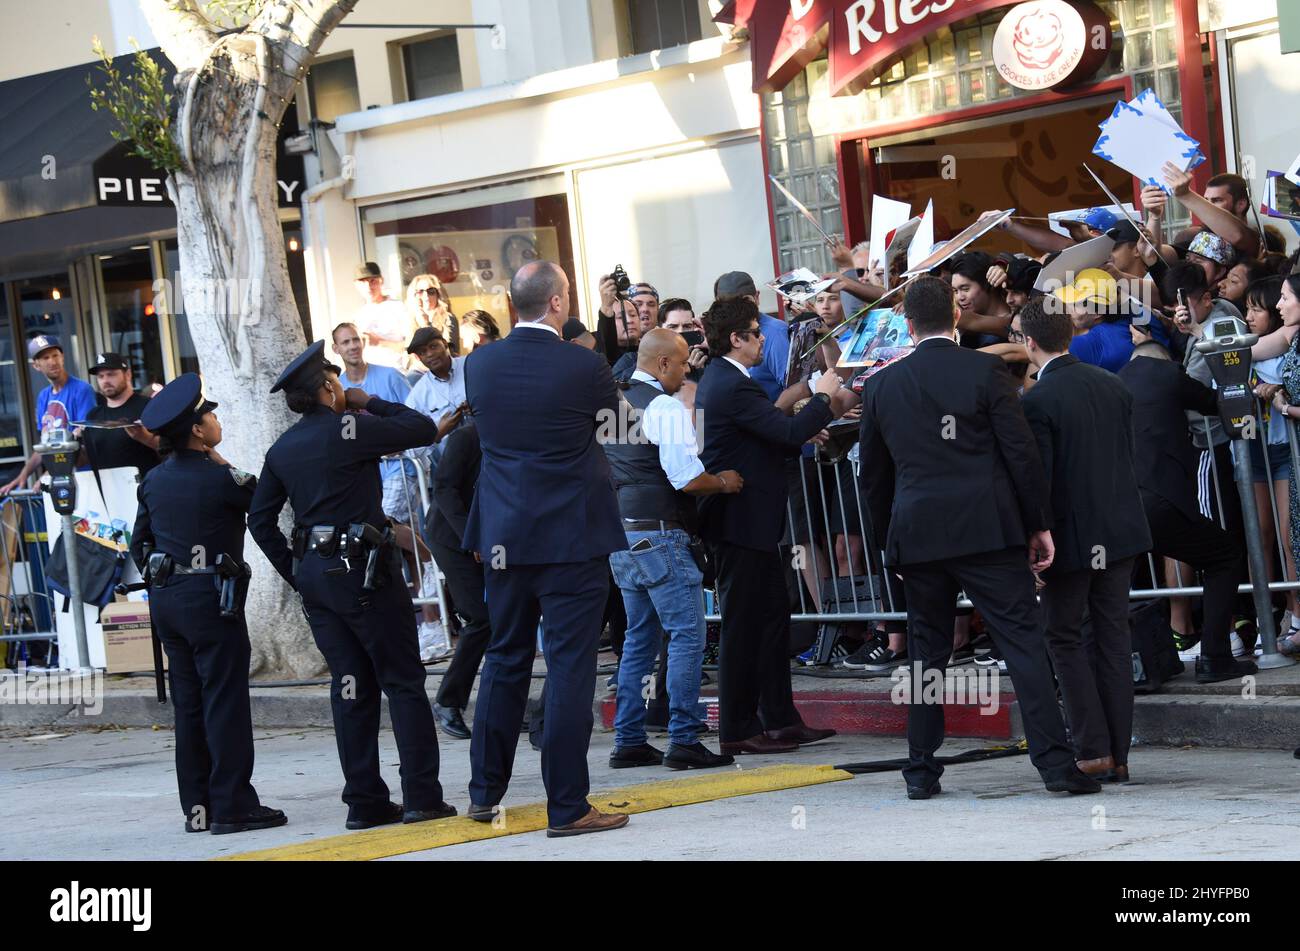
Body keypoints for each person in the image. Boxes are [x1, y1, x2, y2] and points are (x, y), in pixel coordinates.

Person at [858, 276, 1099, 798]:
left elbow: (873, 479)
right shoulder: (985, 370)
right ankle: (1056, 767)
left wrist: (889, 545)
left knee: (926, 655)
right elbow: (1020, 454)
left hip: (918, 536)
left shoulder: (880, 385)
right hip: (988, 530)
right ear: (956, 315)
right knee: (1023, 646)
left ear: (906, 323)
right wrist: (1039, 524)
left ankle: (920, 771)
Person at [248, 340, 456, 829]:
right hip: (365, 574)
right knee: (403, 682)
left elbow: (260, 522)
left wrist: (296, 573)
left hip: (318, 581)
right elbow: (422, 428)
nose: (343, 387)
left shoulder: (282, 448)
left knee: (350, 688)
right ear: (327, 386)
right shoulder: (349, 425)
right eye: (337, 381)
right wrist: (371, 401)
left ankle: (363, 801)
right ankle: (422, 796)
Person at [461, 259, 630, 838]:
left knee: (505, 659)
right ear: (557, 303)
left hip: (504, 535)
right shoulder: (583, 365)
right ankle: (568, 805)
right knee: (568, 666)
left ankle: (484, 794)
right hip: (571, 539)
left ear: (514, 304)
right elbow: (620, 430)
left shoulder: (479, 363)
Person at [130, 373, 285, 835]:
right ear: (197, 430)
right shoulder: (223, 479)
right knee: (224, 702)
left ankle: (198, 809)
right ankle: (234, 806)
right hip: (212, 603)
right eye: (210, 416)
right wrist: (219, 460)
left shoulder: (154, 481)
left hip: (168, 603)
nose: (217, 421)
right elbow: (261, 500)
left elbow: (140, 545)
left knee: (189, 705)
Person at [696, 295, 840, 755]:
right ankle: (737, 727)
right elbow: (784, 435)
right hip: (740, 522)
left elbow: (761, 436)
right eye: (756, 333)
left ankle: (779, 719)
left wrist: (801, 421)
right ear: (736, 339)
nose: (762, 340)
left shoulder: (730, 381)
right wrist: (823, 396)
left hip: (754, 521)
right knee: (743, 626)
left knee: (773, 619)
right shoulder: (730, 383)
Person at [1019, 300, 1151, 782]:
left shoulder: (1036, 400)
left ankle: (1093, 748)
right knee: (1113, 638)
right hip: (1121, 530)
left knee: (1065, 636)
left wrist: (1036, 535)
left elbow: (1042, 480)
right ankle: (1117, 754)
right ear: (1069, 335)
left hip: (1071, 538)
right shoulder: (1112, 385)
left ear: (1029, 341)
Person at [604, 329, 742, 770]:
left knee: (638, 639)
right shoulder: (664, 406)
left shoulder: (613, 405)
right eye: (683, 364)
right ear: (663, 363)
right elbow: (685, 477)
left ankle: (628, 740)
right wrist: (724, 482)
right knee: (687, 634)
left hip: (622, 537)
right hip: (661, 534)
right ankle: (683, 737)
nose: (687, 373)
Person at [1118, 342, 1258, 683]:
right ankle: (1215, 657)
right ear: (1165, 360)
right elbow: (1215, 402)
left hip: (1119, 508)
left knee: (1113, 585)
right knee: (1223, 556)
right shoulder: (1167, 374)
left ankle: (1120, 669)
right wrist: (1244, 390)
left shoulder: (1113, 382)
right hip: (1160, 501)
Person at [331, 322, 447, 659]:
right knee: (390, 540)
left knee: (388, 524)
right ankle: (421, 615)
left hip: (399, 466)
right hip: (367, 473)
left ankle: (431, 608)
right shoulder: (337, 388)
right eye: (346, 342)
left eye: (356, 339)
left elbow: (412, 419)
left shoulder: (389, 377)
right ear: (337, 349)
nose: (352, 346)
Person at [427, 422, 488, 740]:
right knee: (480, 618)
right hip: (453, 537)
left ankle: (498, 704)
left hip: (493, 540)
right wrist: (471, 536)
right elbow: (444, 490)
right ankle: (448, 702)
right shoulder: (466, 437)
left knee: (505, 619)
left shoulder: (516, 432)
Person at [0, 335, 98, 494]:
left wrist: (52, 471)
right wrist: (23, 475)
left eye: (55, 355)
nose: (52, 361)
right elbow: (45, 445)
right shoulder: (43, 396)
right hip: (59, 479)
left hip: (84, 477)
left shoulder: (82, 389)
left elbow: (82, 435)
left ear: (63, 357)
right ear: (36, 365)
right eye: (45, 358)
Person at [714, 271, 791, 402]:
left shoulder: (775, 333)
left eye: (745, 302)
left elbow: (796, 389)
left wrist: (772, 420)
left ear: (757, 297)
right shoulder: (715, 339)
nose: (761, 338)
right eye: (731, 305)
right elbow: (701, 403)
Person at [79, 352, 160, 476]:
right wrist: (70, 448)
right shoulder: (93, 415)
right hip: (107, 491)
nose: (105, 381)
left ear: (127, 375)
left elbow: (171, 449)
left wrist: (146, 438)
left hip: (146, 489)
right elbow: (87, 458)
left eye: (111, 374)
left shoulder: (148, 406)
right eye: (100, 376)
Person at [1051, 268, 1135, 372]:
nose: (1068, 309)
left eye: (1075, 304)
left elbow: (1037, 352)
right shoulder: (1131, 317)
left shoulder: (1087, 344)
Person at [354, 261, 416, 372]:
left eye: (372, 281)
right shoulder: (359, 315)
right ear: (356, 285)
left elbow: (410, 345)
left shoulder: (398, 307)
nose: (368, 286)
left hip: (396, 371)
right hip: (371, 374)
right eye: (363, 282)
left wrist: (379, 342)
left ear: (381, 281)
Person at [406, 273, 460, 357]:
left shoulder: (448, 318)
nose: (426, 295)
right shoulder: (409, 319)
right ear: (414, 295)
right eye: (420, 292)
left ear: (438, 294)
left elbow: (451, 353)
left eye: (431, 291)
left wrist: (426, 325)